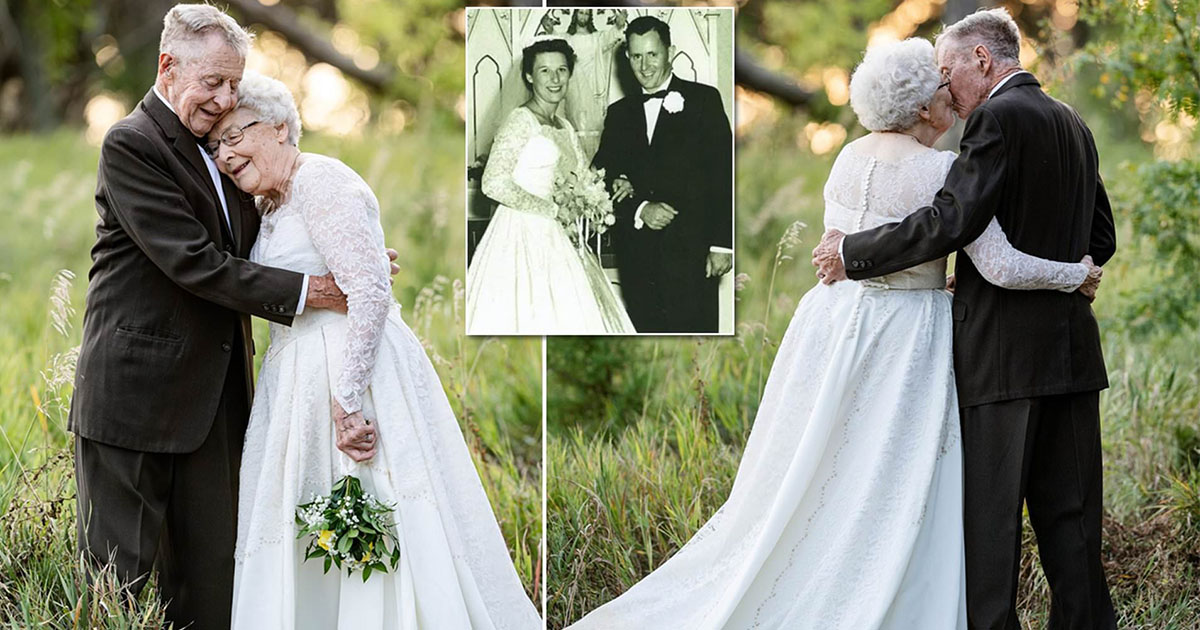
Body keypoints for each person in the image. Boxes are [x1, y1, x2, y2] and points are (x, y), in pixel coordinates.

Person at [567, 37, 1101, 630]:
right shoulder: (952, 164)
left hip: (837, 325)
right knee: (901, 475)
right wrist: (1074, 274)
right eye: (940, 84)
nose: (949, 93)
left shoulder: (846, 157)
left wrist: (875, 262)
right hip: (909, 337)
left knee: (832, 471)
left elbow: (839, 240)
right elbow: (999, 256)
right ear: (923, 106)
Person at [68, 6, 372, 628]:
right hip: (132, 405)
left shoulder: (222, 151)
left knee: (215, 589)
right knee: (117, 591)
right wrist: (311, 289)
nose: (226, 98)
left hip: (219, 408)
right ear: (167, 66)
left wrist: (348, 252)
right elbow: (195, 264)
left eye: (234, 83)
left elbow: (271, 232)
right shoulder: (133, 145)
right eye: (212, 83)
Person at [813, 9, 1117, 629]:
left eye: (949, 70)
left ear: (983, 60)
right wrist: (1064, 273)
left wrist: (854, 252)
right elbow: (1101, 238)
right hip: (1073, 356)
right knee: (1075, 528)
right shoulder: (1072, 121)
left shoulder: (994, 120)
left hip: (1002, 361)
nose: (945, 87)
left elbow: (954, 221)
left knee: (992, 529)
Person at [467, 37, 634, 335]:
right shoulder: (521, 120)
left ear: (570, 74)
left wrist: (605, 188)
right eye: (544, 71)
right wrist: (551, 209)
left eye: (561, 70)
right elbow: (493, 183)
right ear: (530, 76)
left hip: (561, 234)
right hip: (520, 234)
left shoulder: (565, 126)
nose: (554, 79)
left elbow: (582, 176)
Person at [592, 15, 733, 333]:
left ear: (670, 51)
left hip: (693, 253)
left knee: (694, 350)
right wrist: (640, 208)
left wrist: (723, 244)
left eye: (652, 54)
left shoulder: (704, 100)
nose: (645, 66)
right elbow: (602, 175)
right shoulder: (618, 114)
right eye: (636, 56)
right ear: (627, 57)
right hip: (638, 258)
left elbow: (723, 173)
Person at [563, 9, 625, 160]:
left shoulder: (596, 38)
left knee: (594, 127)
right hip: (574, 89)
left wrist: (618, 25)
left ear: (590, 17)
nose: (583, 16)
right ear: (575, 15)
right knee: (575, 126)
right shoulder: (567, 39)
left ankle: (594, 163)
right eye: (580, 13)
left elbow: (610, 36)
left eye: (586, 14)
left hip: (593, 86)